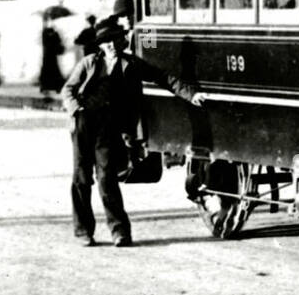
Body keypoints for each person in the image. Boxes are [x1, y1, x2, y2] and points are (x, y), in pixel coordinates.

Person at [61, 17, 203, 247]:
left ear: (121, 41)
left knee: (107, 178)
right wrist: (77, 110)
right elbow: (68, 90)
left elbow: (163, 77)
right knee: (81, 178)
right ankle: (83, 231)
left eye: (114, 40)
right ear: (100, 45)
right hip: (84, 124)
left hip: (108, 128)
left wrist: (191, 94)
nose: (110, 45)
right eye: (105, 42)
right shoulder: (89, 63)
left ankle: (119, 232)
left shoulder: (131, 64)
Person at [39, 14, 66, 94]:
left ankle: (55, 86)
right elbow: (46, 42)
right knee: (48, 70)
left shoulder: (53, 31)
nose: (50, 22)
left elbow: (58, 40)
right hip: (48, 54)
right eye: (48, 21)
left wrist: (55, 35)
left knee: (53, 70)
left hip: (51, 54)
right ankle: (46, 86)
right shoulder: (45, 31)